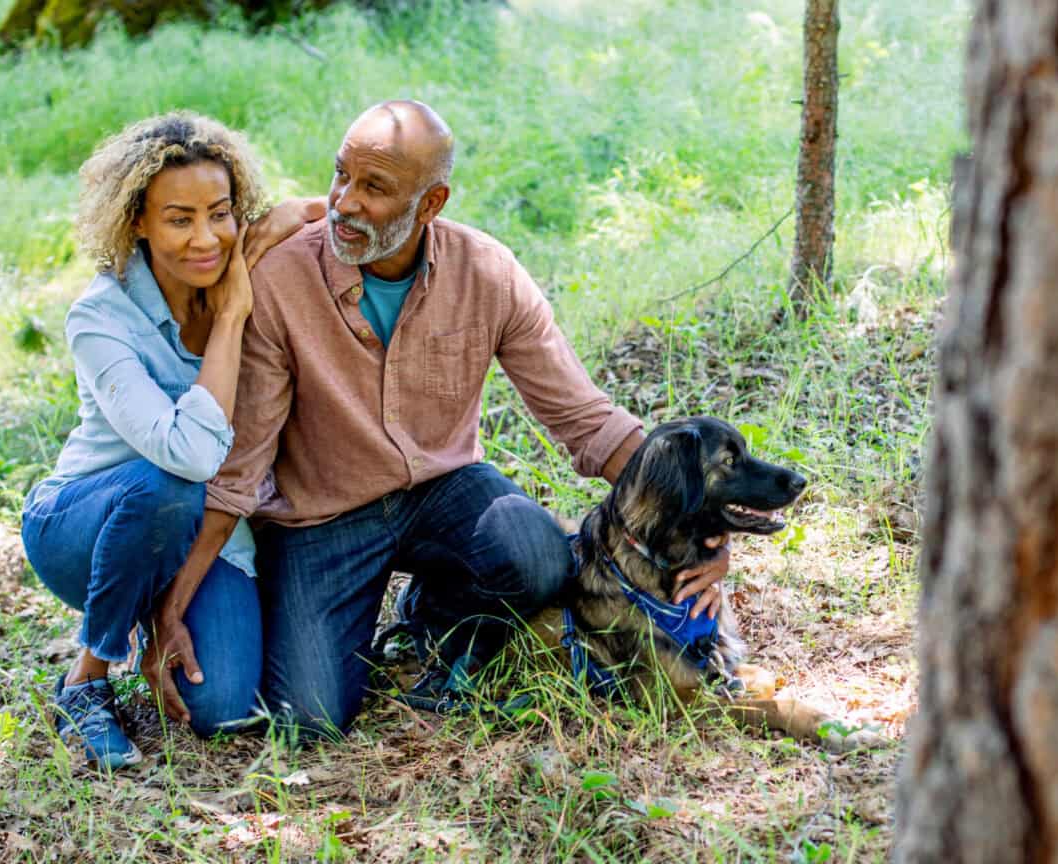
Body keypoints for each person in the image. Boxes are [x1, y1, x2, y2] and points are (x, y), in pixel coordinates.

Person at [167, 100, 730, 736]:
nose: (345, 202)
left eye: (375, 187)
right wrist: (176, 602)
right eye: (340, 175)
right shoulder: (281, 278)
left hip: (442, 490)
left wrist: (704, 531)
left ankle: (432, 614)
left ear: (431, 203)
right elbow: (241, 466)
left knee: (537, 557)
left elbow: (586, 418)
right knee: (312, 719)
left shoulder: (486, 271)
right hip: (319, 516)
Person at [20, 112, 322, 770]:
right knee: (168, 483)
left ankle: (159, 606)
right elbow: (188, 455)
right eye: (179, 219)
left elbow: (320, 209)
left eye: (220, 214)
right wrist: (230, 321)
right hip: (85, 525)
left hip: (189, 533)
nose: (205, 238)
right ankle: (87, 679)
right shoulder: (101, 317)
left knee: (223, 706)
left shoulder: (243, 268)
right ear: (138, 222)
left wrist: (284, 222)